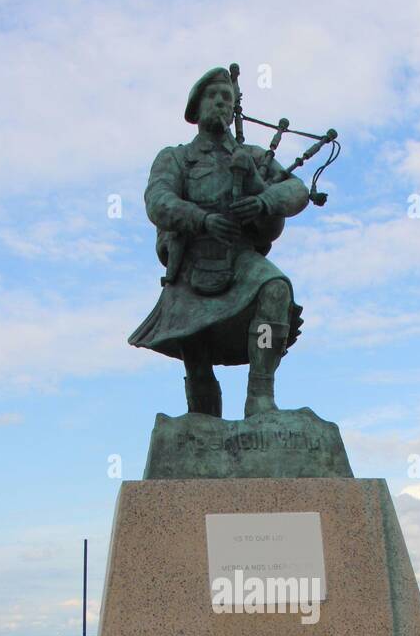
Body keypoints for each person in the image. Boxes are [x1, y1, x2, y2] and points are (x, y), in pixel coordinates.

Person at [129, 66, 311, 418]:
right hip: (193, 264)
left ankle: (260, 398)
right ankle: (201, 422)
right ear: (196, 109)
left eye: (227, 99)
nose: (220, 103)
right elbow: (158, 201)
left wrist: (261, 197)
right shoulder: (176, 158)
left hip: (239, 259)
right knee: (195, 350)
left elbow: (296, 190)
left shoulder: (255, 157)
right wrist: (202, 219)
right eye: (213, 97)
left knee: (275, 288)